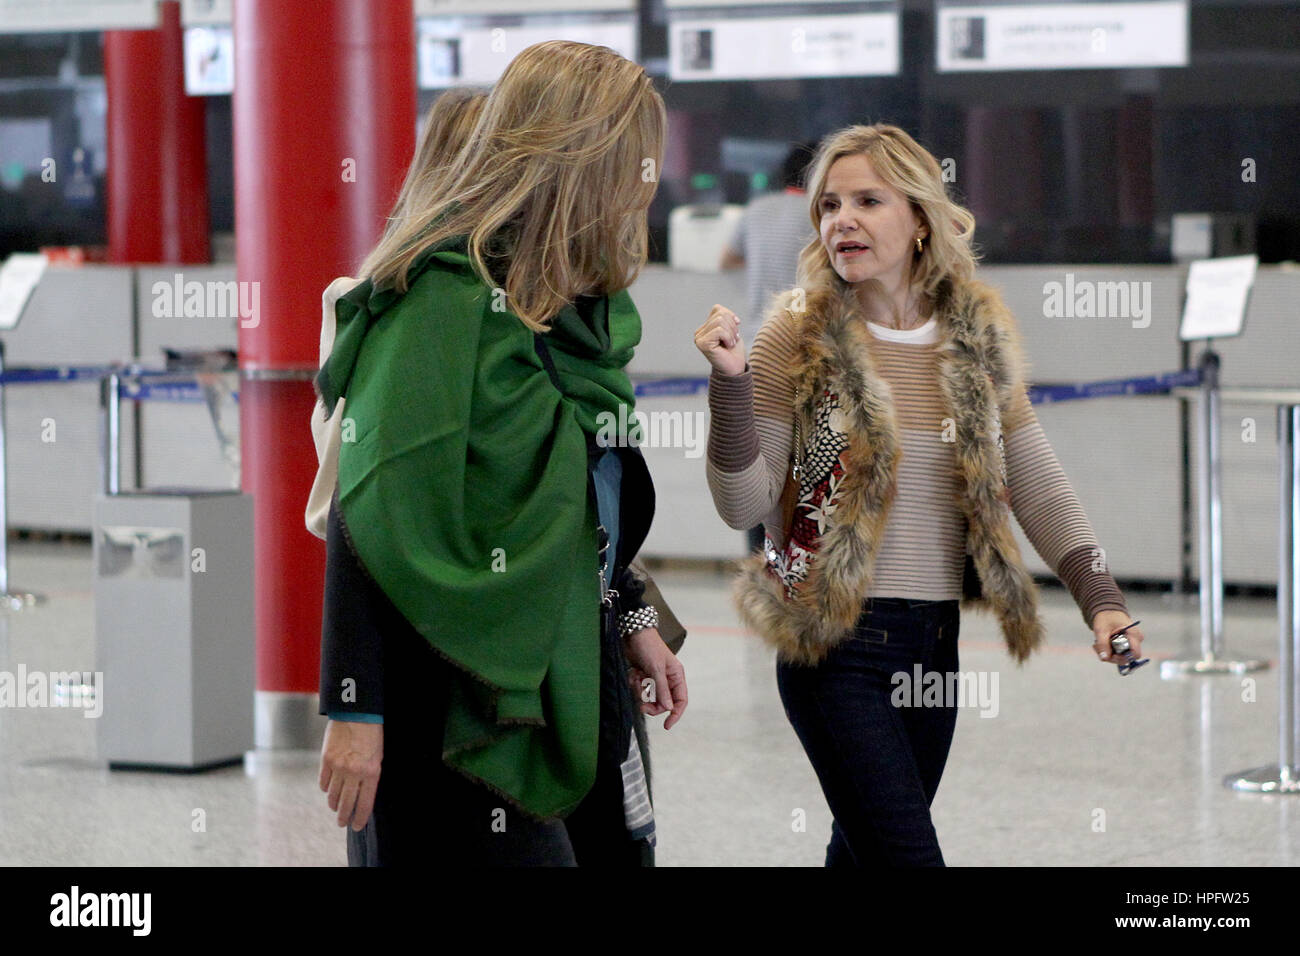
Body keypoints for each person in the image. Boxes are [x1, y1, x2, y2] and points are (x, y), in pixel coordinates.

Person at [695, 123, 1145, 866]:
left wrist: (1101, 595)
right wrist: (731, 387)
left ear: (922, 219)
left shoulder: (975, 337)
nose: (843, 219)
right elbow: (743, 503)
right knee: (908, 855)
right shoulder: (794, 335)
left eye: (869, 200)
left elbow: (1032, 475)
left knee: (864, 850)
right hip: (832, 645)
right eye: (830, 204)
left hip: (932, 646)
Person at [312, 42, 687, 867]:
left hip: (573, 676)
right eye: (631, 160)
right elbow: (368, 513)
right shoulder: (440, 306)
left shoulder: (578, 318)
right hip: (455, 692)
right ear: (575, 164)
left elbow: (580, 520)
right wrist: (354, 708)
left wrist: (636, 619)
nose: (645, 183)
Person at [719, 141, 819, 554]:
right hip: (805, 347)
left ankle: (760, 555)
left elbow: (726, 260)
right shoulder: (821, 213)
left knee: (759, 460)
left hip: (758, 344)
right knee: (808, 461)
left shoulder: (755, 209)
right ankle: (799, 554)